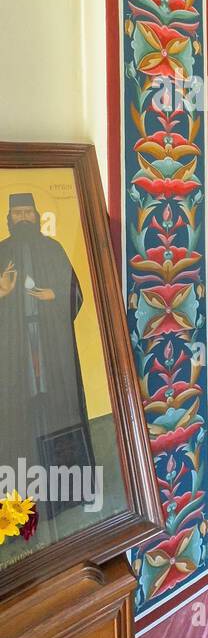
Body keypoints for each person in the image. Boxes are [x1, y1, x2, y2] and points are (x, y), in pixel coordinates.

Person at [0, 193, 94, 497]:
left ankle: (66, 488)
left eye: (29, 211)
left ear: (36, 215)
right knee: (17, 408)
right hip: (13, 346)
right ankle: (20, 491)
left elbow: (74, 292)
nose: (24, 217)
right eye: (19, 213)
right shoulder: (1, 252)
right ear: (10, 218)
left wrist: (54, 295)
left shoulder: (53, 249)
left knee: (57, 402)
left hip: (51, 342)